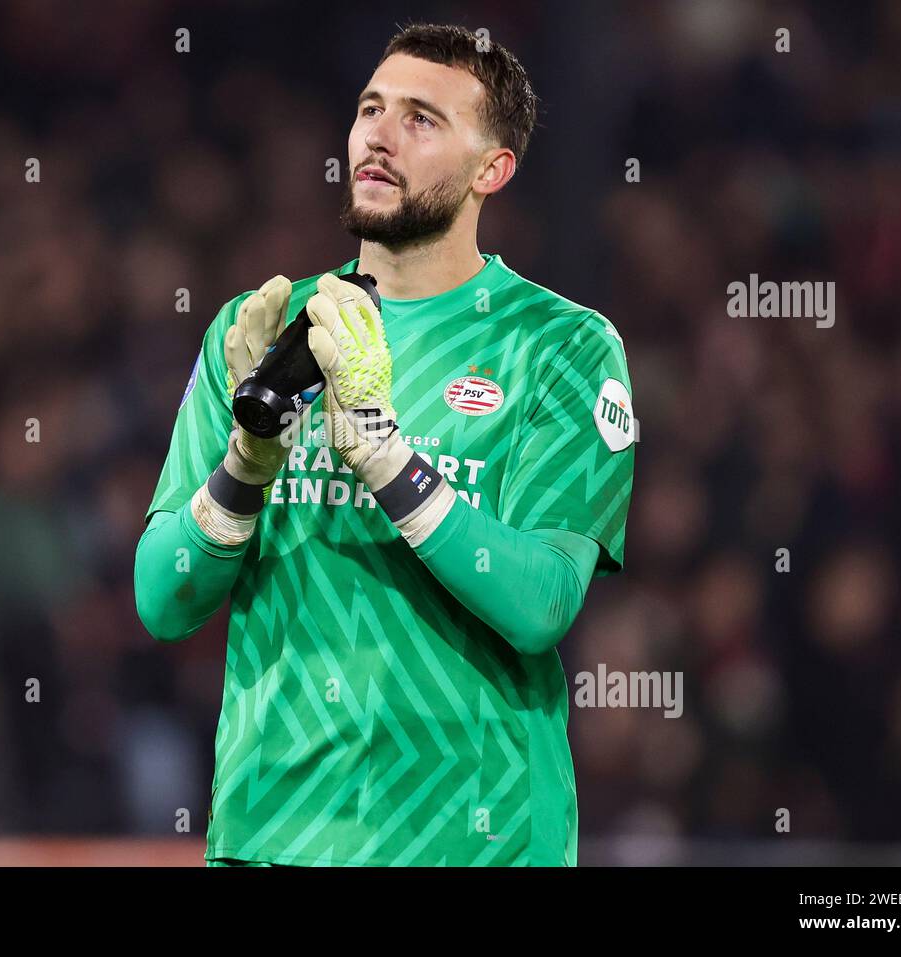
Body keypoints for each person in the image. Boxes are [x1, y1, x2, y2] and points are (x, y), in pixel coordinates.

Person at [135, 22, 635, 866]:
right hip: (272, 837)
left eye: (422, 119)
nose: (378, 133)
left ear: (493, 169)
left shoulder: (562, 347)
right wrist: (245, 468)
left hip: (477, 842)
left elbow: (542, 604)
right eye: (371, 108)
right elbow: (161, 599)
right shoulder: (258, 331)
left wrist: (381, 452)